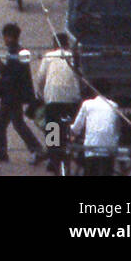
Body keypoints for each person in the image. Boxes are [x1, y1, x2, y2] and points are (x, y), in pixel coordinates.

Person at [0, 23, 43, 163]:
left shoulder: (16, 53)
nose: (5, 39)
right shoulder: (17, 51)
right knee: (4, 122)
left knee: (12, 123)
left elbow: (15, 75)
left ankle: (36, 150)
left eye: (6, 37)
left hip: (13, 95)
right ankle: (0, 151)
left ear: (10, 37)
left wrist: (0, 66)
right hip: (13, 94)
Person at [35, 33, 82, 171]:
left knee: (52, 128)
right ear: (67, 44)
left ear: (54, 45)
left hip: (53, 98)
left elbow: (40, 78)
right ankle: (70, 150)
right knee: (70, 127)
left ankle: (53, 158)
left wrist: (41, 94)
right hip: (72, 98)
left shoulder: (49, 56)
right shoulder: (73, 56)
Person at [71, 88, 121, 176]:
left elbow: (76, 127)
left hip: (91, 148)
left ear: (93, 91)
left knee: (89, 169)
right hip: (109, 148)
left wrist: (72, 132)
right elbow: (116, 130)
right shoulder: (114, 105)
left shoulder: (87, 104)